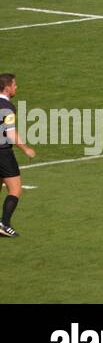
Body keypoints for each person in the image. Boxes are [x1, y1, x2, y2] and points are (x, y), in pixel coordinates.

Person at [0, 73, 36, 237]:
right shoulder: (6, 106)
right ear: (7, 88)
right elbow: (9, 133)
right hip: (3, 153)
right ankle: (4, 224)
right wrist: (25, 148)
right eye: (14, 85)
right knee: (15, 189)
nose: (16, 87)